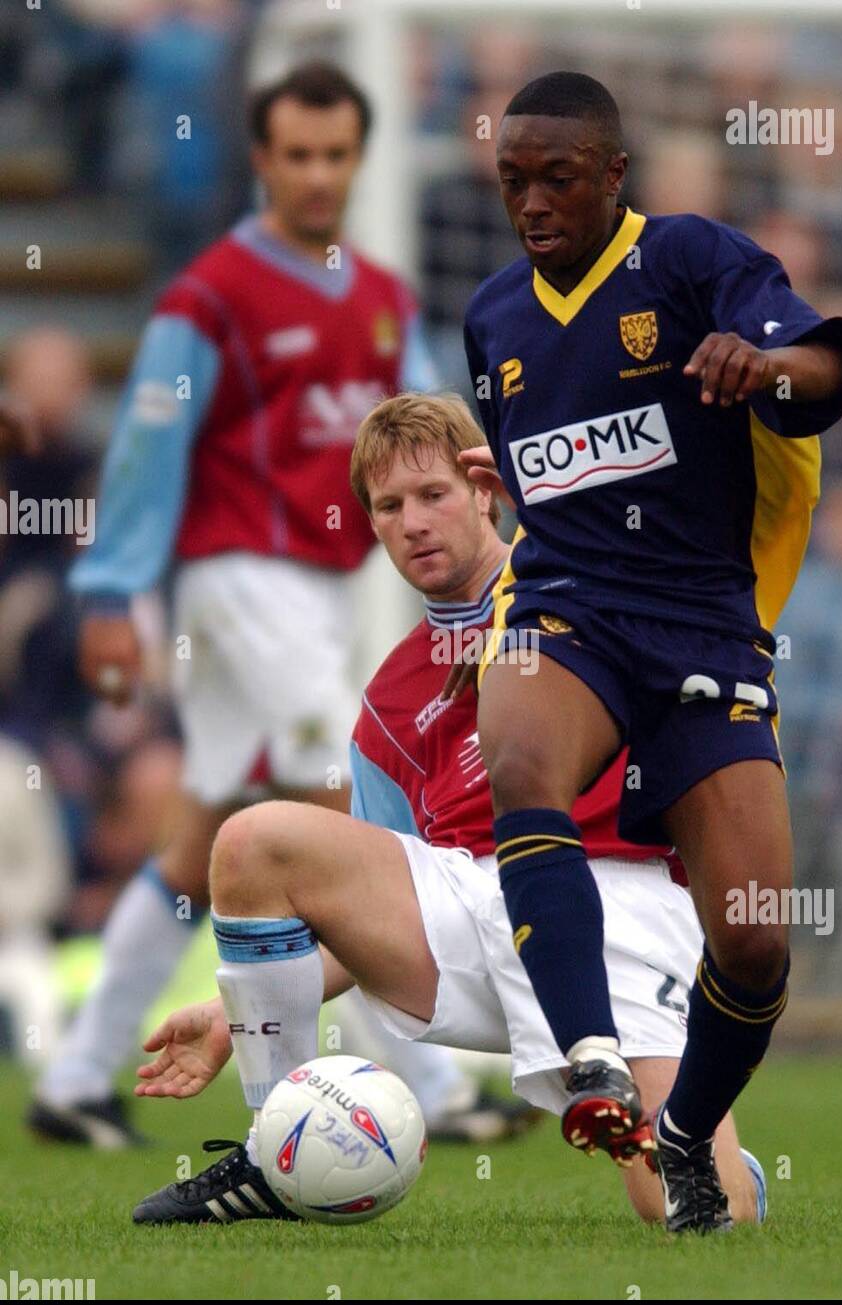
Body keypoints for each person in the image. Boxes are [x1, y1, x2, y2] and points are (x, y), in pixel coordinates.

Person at [129, 392, 765, 1228]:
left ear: (485, 492)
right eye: (389, 507)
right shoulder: (388, 704)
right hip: (466, 906)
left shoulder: (586, 587)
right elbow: (361, 922)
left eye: (433, 495)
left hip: (614, 904)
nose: (413, 522)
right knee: (255, 841)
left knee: (700, 1218)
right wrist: (239, 1010)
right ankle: (273, 1143)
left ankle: (724, 1155)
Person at [460, 72, 842, 1231]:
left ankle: (684, 1130)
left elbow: (827, 367)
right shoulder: (492, 318)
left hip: (701, 624)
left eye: (558, 179)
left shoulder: (689, 258)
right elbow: (543, 490)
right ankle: (590, 1050)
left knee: (750, 941)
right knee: (522, 758)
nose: (532, 203)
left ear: (615, 176)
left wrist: (766, 366)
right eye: (512, 182)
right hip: (567, 611)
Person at [29, 61, 445, 1147]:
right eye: (296, 155)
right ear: (260, 159)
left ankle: (74, 1078)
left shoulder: (387, 302)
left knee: (199, 841)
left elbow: (437, 438)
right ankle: (425, 1093)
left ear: (359, 159)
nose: (317, 175)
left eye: (335, 155)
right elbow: (149, 445)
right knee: (349, 813)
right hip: (239, 576)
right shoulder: (209, 296)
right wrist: (115, 588)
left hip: (338, 590)